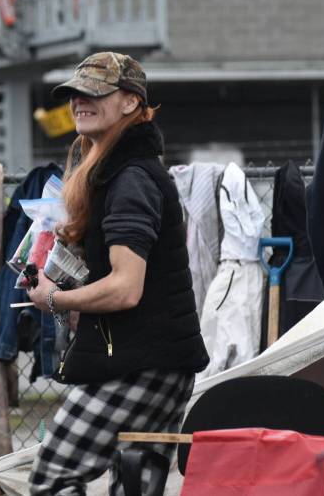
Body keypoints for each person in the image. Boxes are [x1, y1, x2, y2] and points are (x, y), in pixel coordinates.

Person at [26, 52, 209, 495]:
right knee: (134, 488)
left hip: (139, 365)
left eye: (93, 93)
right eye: (73, 94)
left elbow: (127, 289)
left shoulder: (130, 179)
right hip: (159, 361)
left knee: (51, 479)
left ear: (130, 102)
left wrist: (53, 298)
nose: (78, 102)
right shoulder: (122, 173)